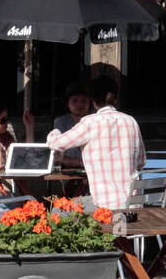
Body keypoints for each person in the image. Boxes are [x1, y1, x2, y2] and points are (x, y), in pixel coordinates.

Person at [46, 75, 146, 234]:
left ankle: (83, 256)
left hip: (106, 207)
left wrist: (55, 131)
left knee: (58, 210)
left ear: (92, 99)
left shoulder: (90, 122)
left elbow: (56, 144)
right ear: (116, 97)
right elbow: (141, 161)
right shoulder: (130, 121)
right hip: (133, 207)